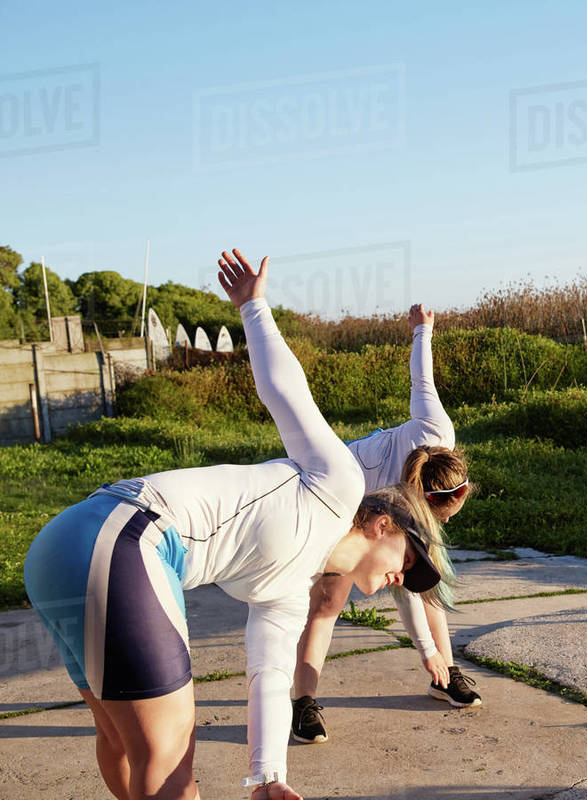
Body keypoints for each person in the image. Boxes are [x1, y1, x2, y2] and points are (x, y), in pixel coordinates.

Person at [23, 250, 445, 800]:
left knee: (125, 741)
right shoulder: (339, 485)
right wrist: (253, 309)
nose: (401, 578)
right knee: (169, 754)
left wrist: (268, 775)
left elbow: (270, 677)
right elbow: (285, 393)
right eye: (407, 561)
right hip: (126, 538)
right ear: (383, 524)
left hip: (66, 546)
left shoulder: (290, 593)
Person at [291, 303, 479, 746]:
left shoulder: (438, 430)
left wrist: (422, 331)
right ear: (438, 503)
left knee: (431, 579)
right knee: (326, 604)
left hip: (374, 505)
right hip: (338, 505)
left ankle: (444, 677)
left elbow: (422, 382)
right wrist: (426, 651)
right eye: (441, 519)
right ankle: (304, 703)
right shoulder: (403, 509)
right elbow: (405, 589)